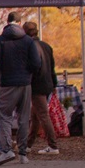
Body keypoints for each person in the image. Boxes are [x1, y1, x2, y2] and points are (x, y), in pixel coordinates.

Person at [0, 13, 42, 166]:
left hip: (7, 83)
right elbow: (36, 63)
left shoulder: (0, 40)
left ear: (7, 23)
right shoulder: (27, 40)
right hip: (25, 83)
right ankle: (23, 153)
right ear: (20, 23)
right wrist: (27, 74)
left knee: (5, 117)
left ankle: (6, 150)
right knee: (24, 118)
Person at [25, 21, 60, 155]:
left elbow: (33, 67)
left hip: (36, 85)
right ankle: (28, 144)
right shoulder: (46, 46)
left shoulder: (30, 47)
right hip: (47, 83)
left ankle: (53, 145)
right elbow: (52, 67)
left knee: (43, 115)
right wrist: (54, 84)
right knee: (36, 115)